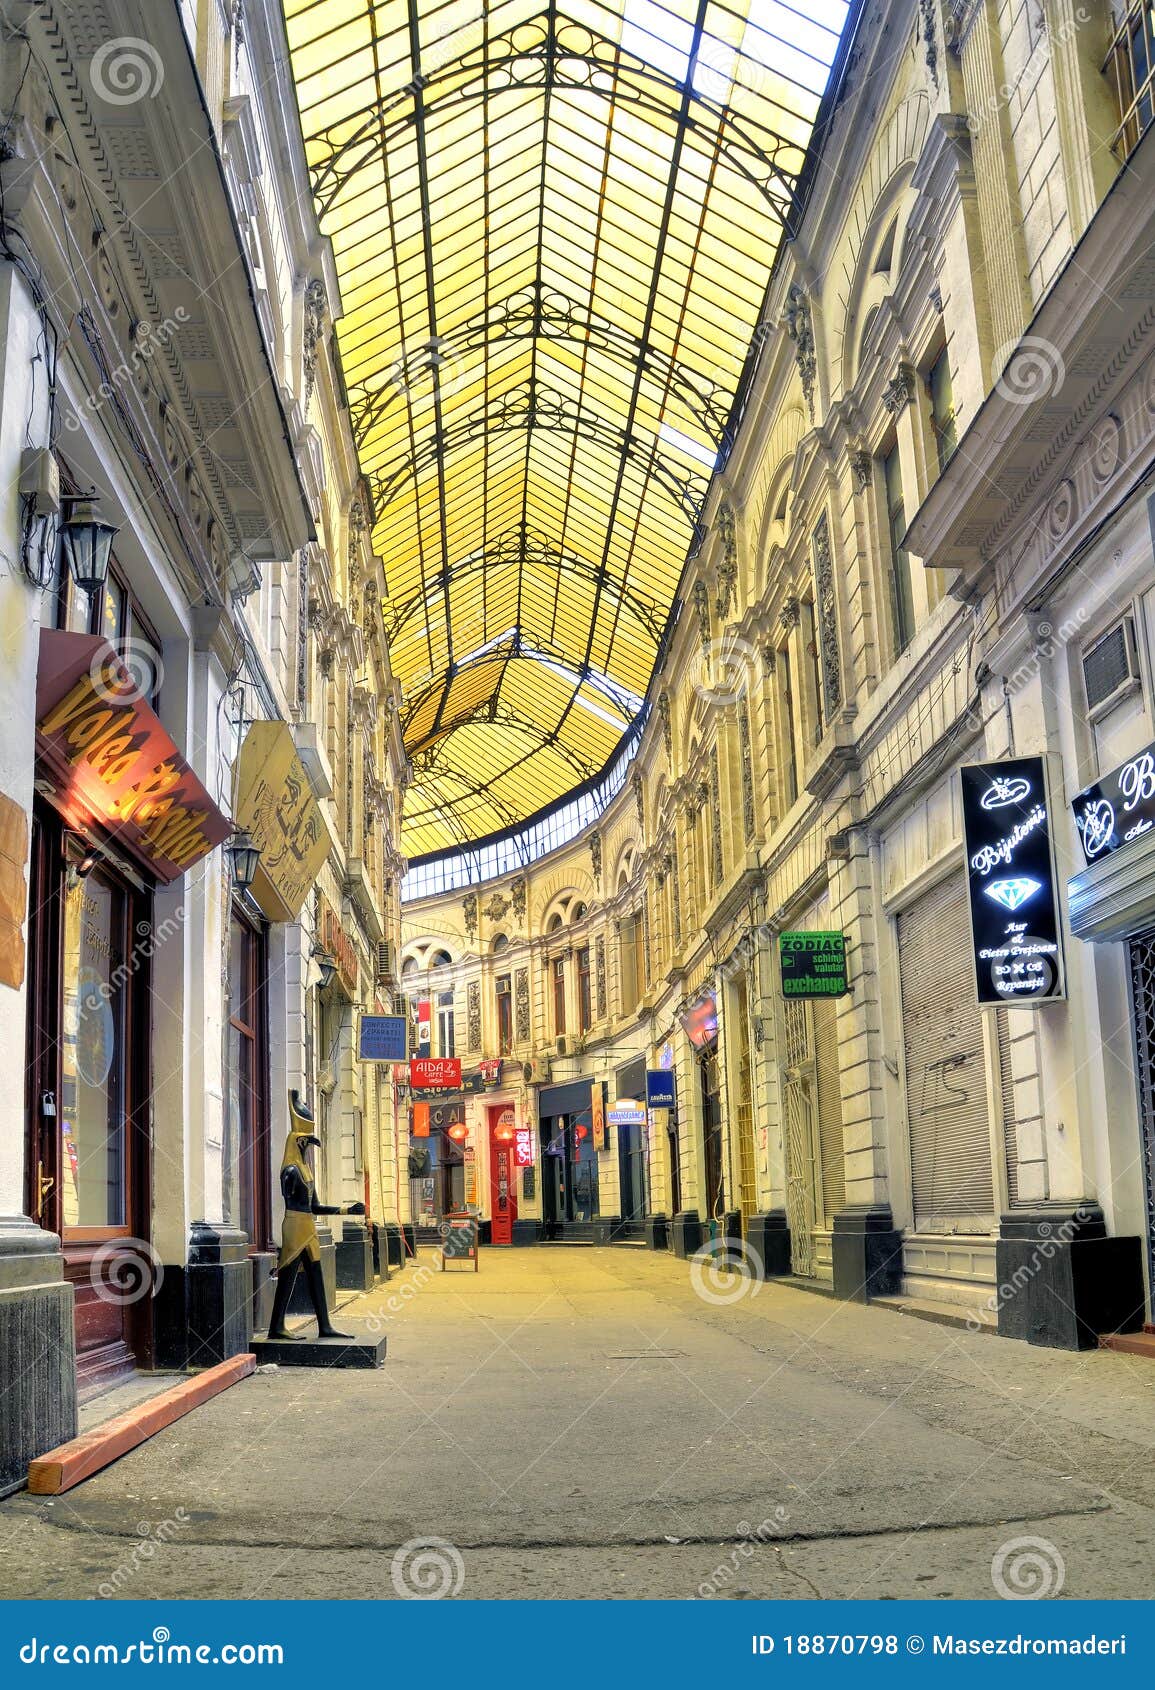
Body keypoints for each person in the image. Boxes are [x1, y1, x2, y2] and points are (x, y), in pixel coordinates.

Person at [266, 1090, 364, 1340]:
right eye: (307, 1142)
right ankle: (276, 1327)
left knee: (316, 1274)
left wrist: (346, 1210)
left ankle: (325, 1325)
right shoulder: (290, 1171)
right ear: (298, 1142)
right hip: (295, 1226)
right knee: (287, 1275)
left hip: (308, 1226)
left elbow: (316, 1207)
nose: (309, 1147)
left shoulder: (305, 1171)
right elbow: (293, 1203)